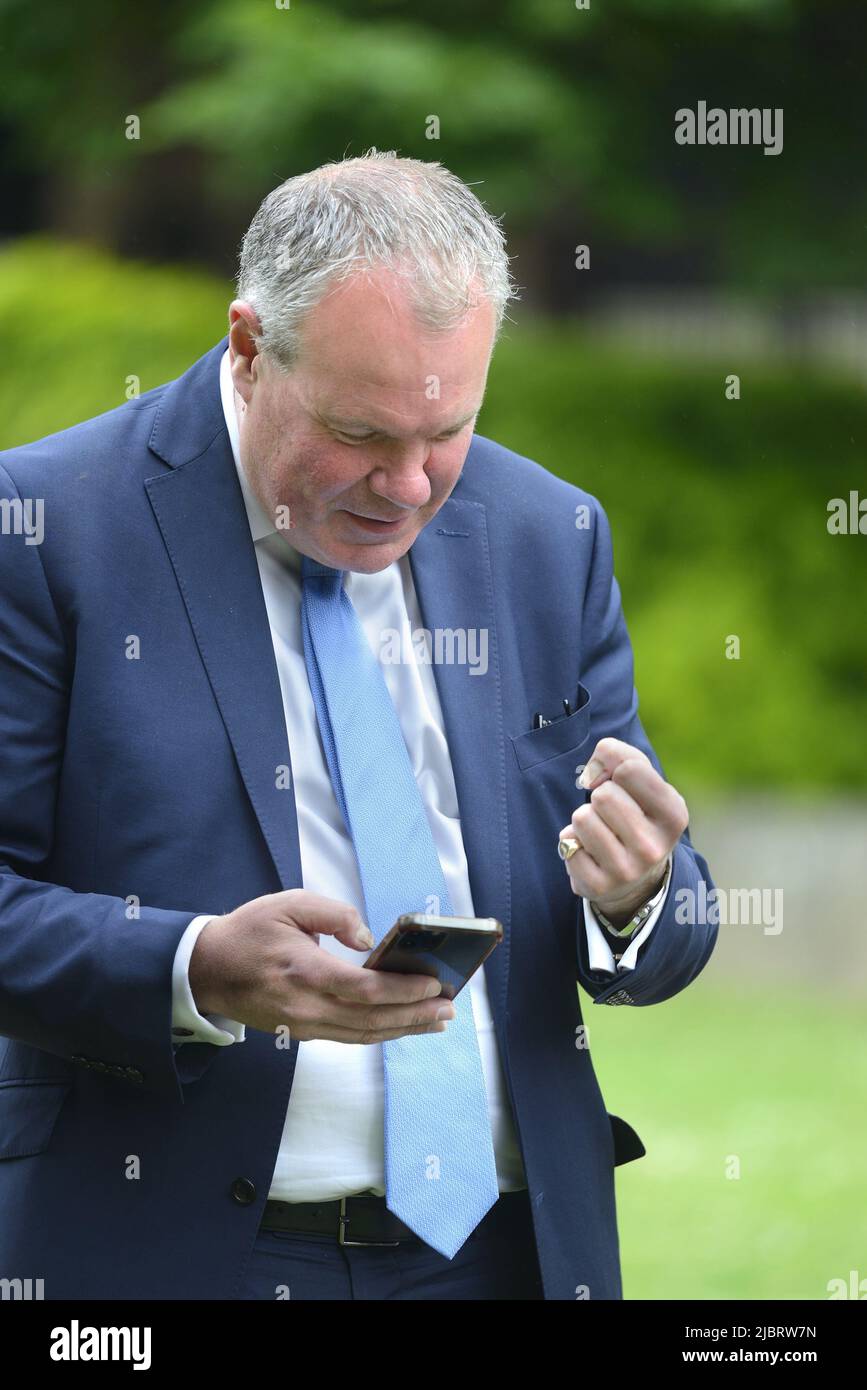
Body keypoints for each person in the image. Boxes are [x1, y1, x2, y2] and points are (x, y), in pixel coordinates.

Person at [0, 151, 717, 1301]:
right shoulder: (45, 529)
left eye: (450, 432)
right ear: (246, 345)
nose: (411, 486)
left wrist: (639, 896)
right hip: (175, 1258)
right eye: (361, 434)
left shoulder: (549, 535)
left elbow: (670, 923)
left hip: (508, 1253)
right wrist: (196, 969)